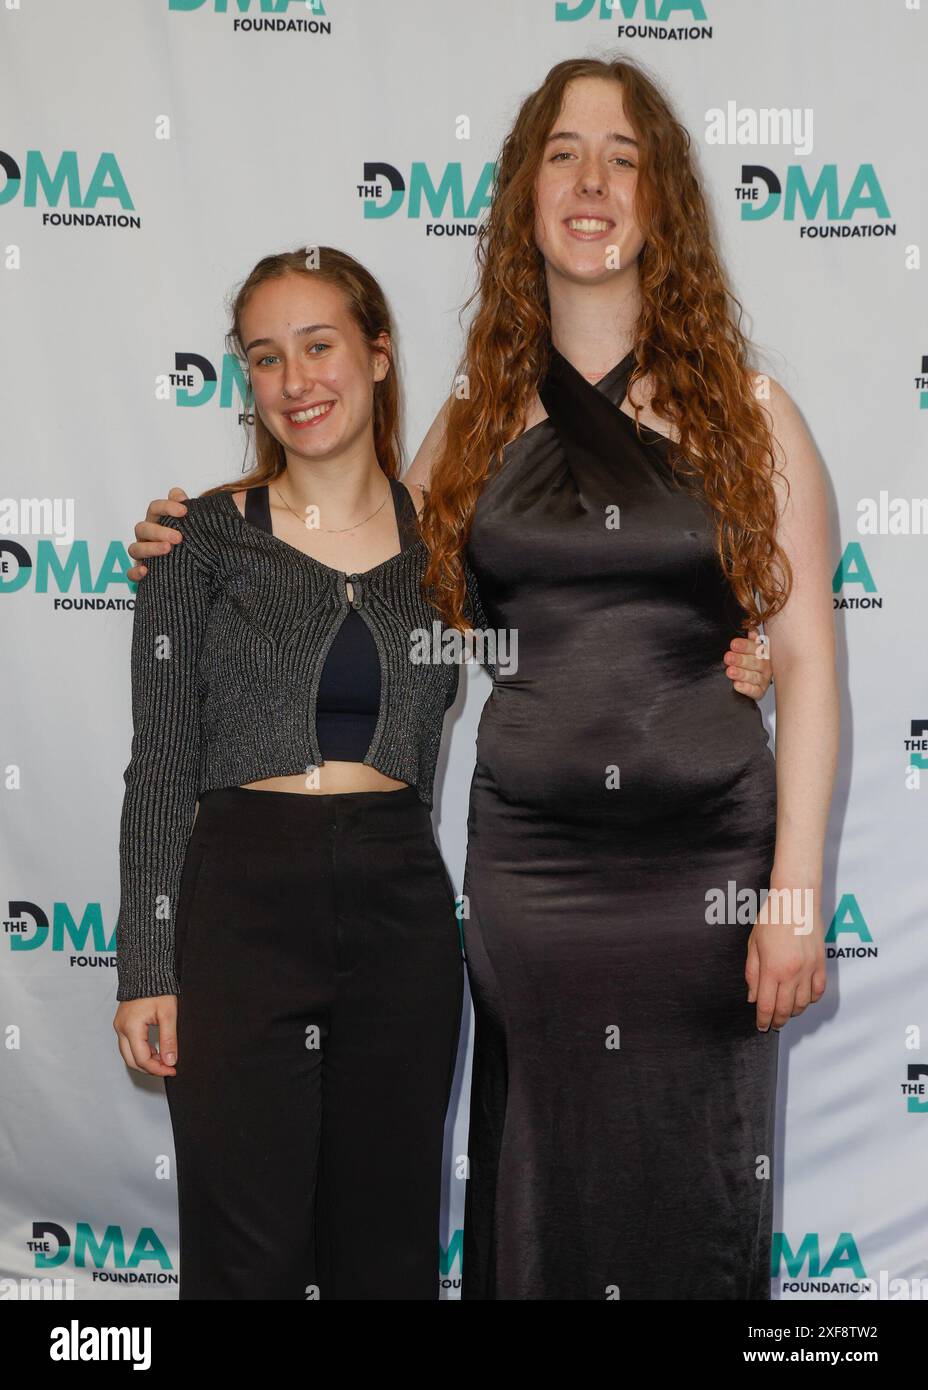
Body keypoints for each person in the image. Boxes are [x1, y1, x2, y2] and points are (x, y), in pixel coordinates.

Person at [404, 56, 838, 1300]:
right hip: (533, 874)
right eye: (562, 153)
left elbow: (806, 664)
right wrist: (211, 523)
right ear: (523, 196)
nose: (591, 180)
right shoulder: (474, 420)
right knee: (537, 1170)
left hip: (705, 873)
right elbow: (366, 583)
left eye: (623, 156)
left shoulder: (751, 417)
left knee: (698, 1174)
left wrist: (793, 894)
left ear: (662, 203)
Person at [112, 247, 465, 1300]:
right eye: (266, 358)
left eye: (319, 345)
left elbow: (578, 653)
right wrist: (146, 962)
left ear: (378, 353)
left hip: (400, 909)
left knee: (389, 1250)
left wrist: (747, 655)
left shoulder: (447, 546)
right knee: (245, 1257)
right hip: (237, 910)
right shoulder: (197, 538)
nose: (296, 379)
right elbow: (164, 759)